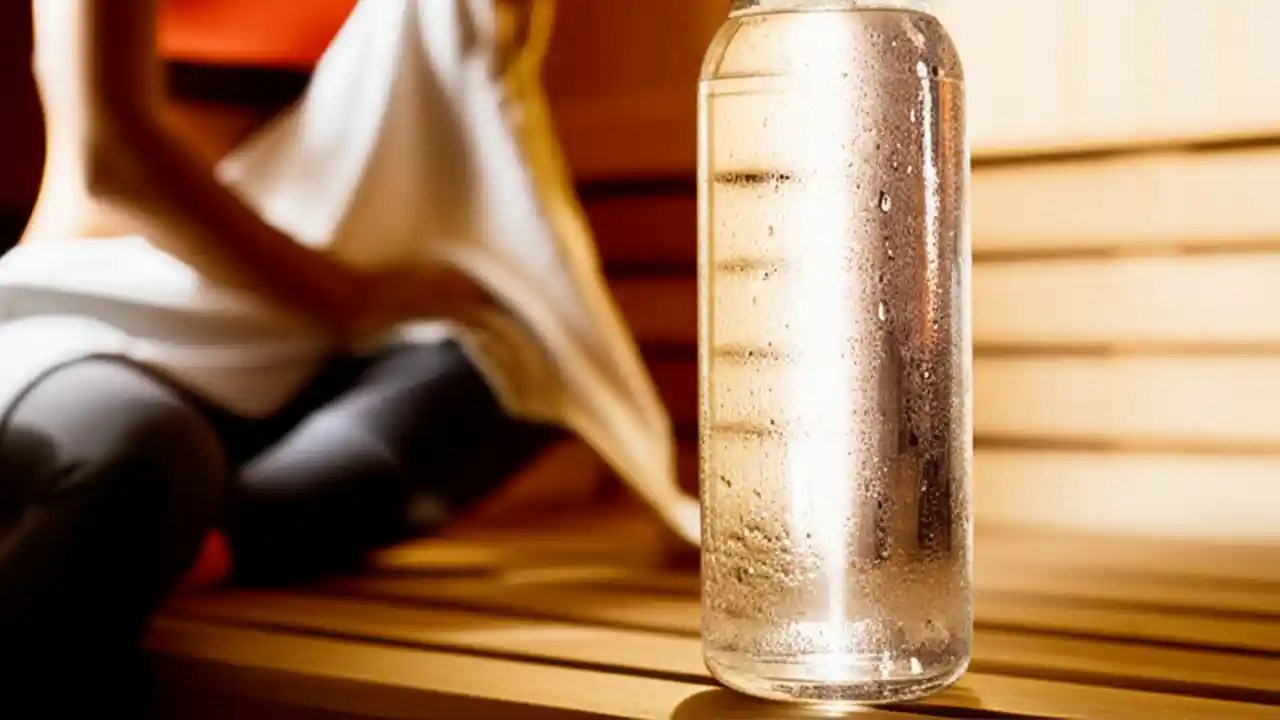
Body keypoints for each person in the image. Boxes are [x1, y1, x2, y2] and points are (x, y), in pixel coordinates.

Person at [0, 0, 697, 708]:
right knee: (140, 464)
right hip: (95, 321)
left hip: (309, 344)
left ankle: (191, 543)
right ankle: (158, 528)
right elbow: (111, 153)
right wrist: (352, 302)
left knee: (521, 373)